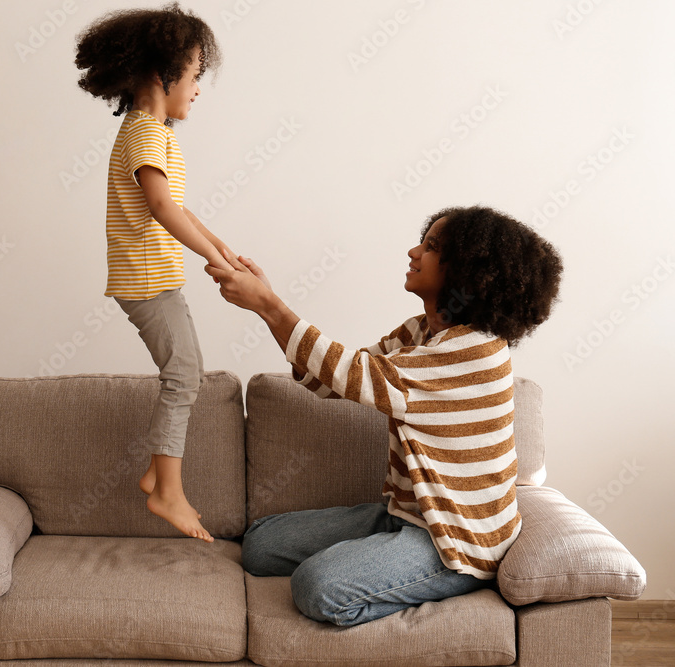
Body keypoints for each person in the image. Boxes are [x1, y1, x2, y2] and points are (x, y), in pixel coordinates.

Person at [205, 206, 564, 626]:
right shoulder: (422, 332)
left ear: (469, 269)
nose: (414, 252)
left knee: (315, 586)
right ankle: (386, 559)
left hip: (455, 542)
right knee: (259, 545)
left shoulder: (472, 353)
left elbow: (358, 375)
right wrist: (265, 305)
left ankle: (457, 580)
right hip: (407, 517)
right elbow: (332, 381)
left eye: (432, 247)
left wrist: (269, 305)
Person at [75, 3, 234, 542]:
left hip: (154, 278)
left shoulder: (153, 132)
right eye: (194, 74)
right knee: (184, 374)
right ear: (162, 74)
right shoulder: (145, 133)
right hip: (146, 281)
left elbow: (179, 207)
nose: (198, 89)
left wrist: (223, 250)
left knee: (187, 370)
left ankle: (157, 475)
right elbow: (162, 208)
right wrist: (214, 259)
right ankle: (166, 489)